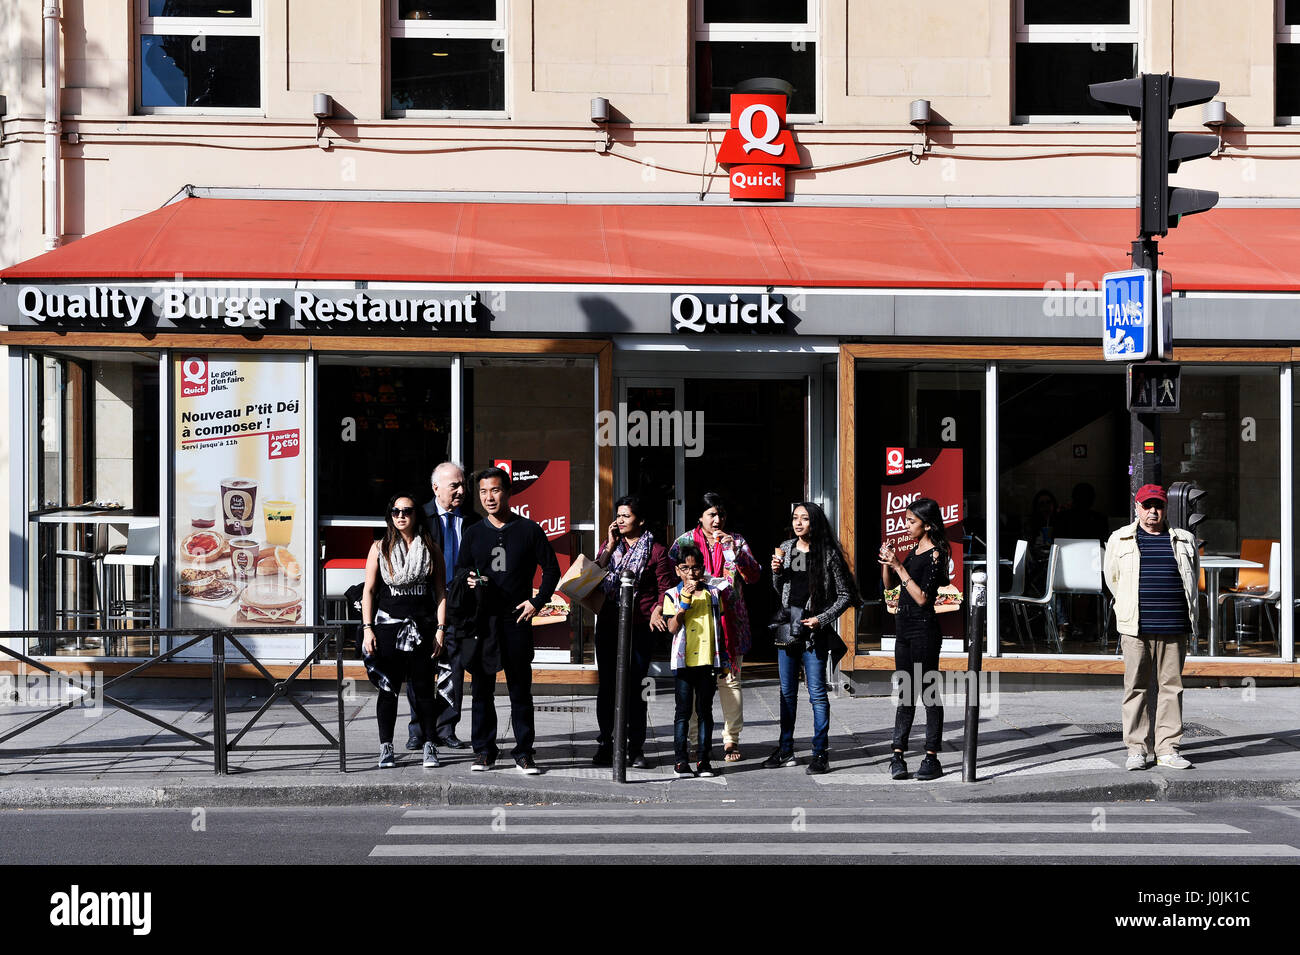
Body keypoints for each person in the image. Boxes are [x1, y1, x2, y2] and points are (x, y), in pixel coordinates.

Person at [455, 466, 561, 775]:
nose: (489, 497)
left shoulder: (529, 530)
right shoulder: (473, 532)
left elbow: (551, 569)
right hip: (482, 620)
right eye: (484, 492)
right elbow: (461, 571)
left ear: (508, 492)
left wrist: (537, 602)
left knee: (519, 688)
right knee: (482, 689)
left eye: (495, 490)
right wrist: (470, 580)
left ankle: (524, 752)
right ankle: (484, 751)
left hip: (516, 618)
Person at [1103, 483, 1200, 771]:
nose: (1153, 511)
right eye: (1147, 506)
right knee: (1136, 686)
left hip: (1174, 624)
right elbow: (1113, 580)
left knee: (1171, 688)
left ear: (1165, 508)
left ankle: (1168, 748)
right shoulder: (1119, 539)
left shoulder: (1185, 540)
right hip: (1136, 626)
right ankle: (1136, 749)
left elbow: (1192, 580)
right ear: (1137, 508)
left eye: (1157, 505)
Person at [661, 492, 761, 762]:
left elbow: (753, 576)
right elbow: (670, 577)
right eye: (712, 515)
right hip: (694, 622)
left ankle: (731, 740)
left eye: (721, 515)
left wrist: (736, 553)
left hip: (730, 622)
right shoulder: (684, 542)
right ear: (700, 517)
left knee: (730, 682)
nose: (717, 520)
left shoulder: (736, 541)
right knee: (693, 686)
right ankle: (695, 741)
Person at [764, 501, 858, 775]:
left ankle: (820, 753)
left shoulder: (828, 554)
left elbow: (845, 596)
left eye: (804, 519)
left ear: (815, 523)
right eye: (795, 518)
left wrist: (822, 619)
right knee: (786, 693)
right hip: (788, 625)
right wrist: (776, 572)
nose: (798, 523)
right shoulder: (788, 547)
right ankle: (785, 750)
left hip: (814, 632)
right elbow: (779, 588)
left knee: (817, 693)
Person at [360, 493, 447, 770]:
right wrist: (367, 629)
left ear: (416, 515)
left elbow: (441, 592)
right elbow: (369, 591)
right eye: (395, 511)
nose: (401, 516)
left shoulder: (431, 548)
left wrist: (441, 630)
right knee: (388, 690)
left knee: (424, 691)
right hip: (387, 629)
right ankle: (386, 746)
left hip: (423, 629)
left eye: (407, 511)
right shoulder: (379, 548)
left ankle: (430, 744)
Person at [592, 494, 675, 768]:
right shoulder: (610, 545)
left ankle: (635, 747)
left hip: (640, 625)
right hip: (608, 622)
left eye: (626, 516)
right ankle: (606, 743)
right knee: (607, 686)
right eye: (618, 516)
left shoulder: (657, 551)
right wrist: (610, 546)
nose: (620, 520)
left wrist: (658, 609)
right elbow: (593, 574)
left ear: (640, 520)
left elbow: (666, 588)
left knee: (636, 687)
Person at [403, 461, 479, 752]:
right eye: (454, 485)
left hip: (459, 606)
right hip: (424, 606)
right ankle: (419, 730)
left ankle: (446, 727)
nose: (461, 490)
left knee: (453, 668)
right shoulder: (420, 518)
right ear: (436, 488)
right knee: (419, 669)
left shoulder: (471, 520)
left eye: (462, 484)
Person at [879, 497, 950, 781]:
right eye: (906, 520)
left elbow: (922, 598)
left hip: (924, 628)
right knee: (905, 693)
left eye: (911, 522)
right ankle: (897, 754)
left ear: (928, 525)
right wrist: (887, 562)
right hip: (903, 627)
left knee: (929, 692)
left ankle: (931, 756)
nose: (906, 526)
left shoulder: (936, 554)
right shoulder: (913, 550)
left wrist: (898, 566)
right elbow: (889, 587)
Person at [661, 542, 732, 779]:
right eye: (685, 568)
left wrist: (724, 660)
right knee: (683, 712)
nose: (692, 573)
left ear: (703, 568)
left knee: (705, 712)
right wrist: (684, 601)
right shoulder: (672, 594)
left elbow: (719, 627)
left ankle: (704, 760)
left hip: (708, 661)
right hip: (683, 663)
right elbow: (672, 627)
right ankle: (680, 761)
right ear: (678, 570)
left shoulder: (713, 593)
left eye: (696, 567)